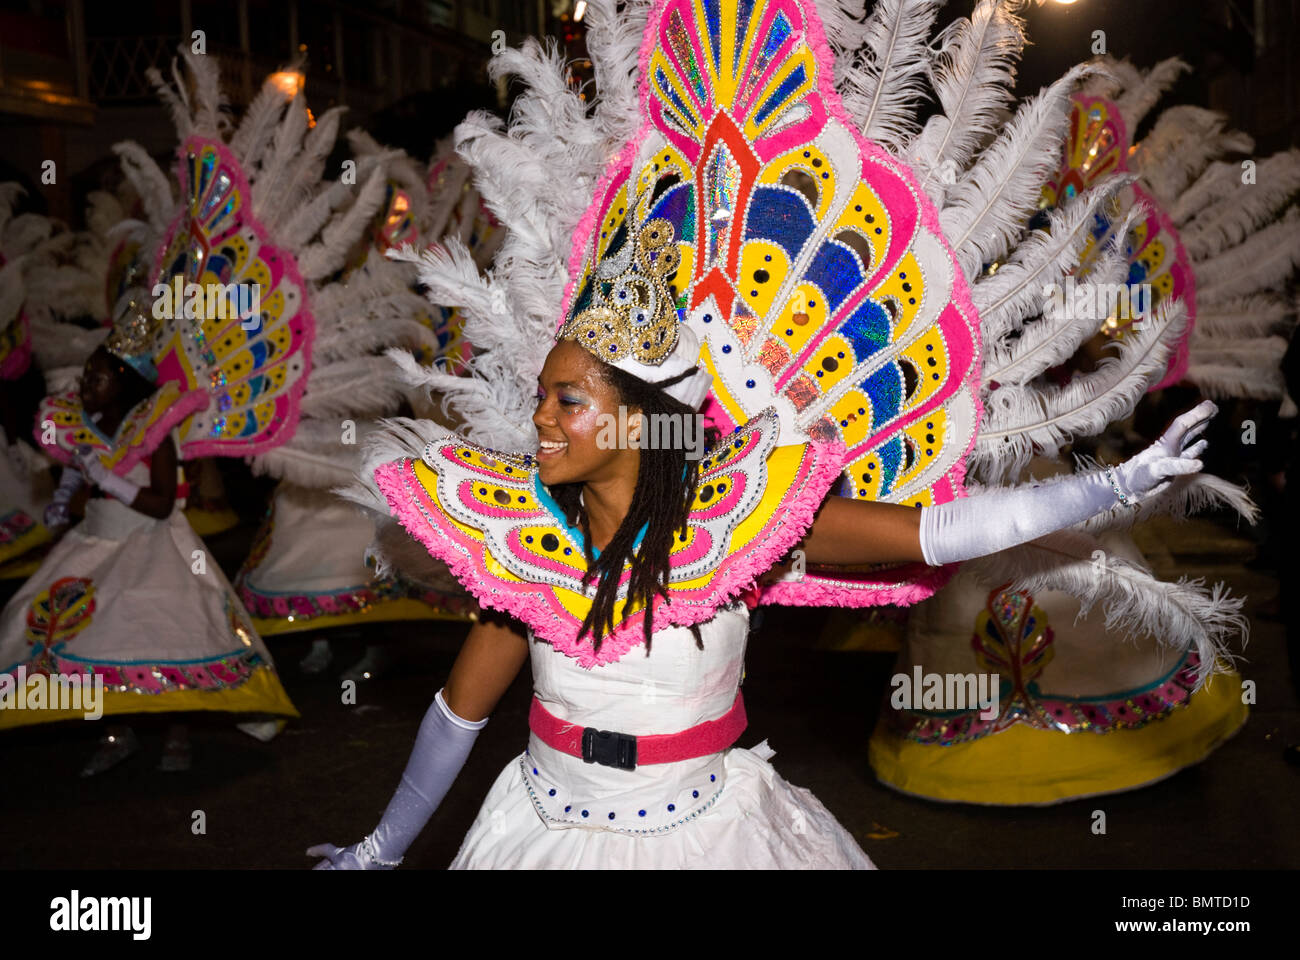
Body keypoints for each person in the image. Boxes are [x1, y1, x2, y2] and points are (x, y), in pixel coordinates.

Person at [0, 334, 298, 773]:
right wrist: (66, 496)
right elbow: (81, 473)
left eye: (98, 376)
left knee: (162, 631)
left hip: (149, 540)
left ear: (124, 380)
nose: (87, 384)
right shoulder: (88, 424)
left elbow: (160, 504)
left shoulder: (156, 431)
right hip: (96, 540)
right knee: (56, 622)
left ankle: (176, 731)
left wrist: (110, 481)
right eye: (86, 375)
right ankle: (115, 732)